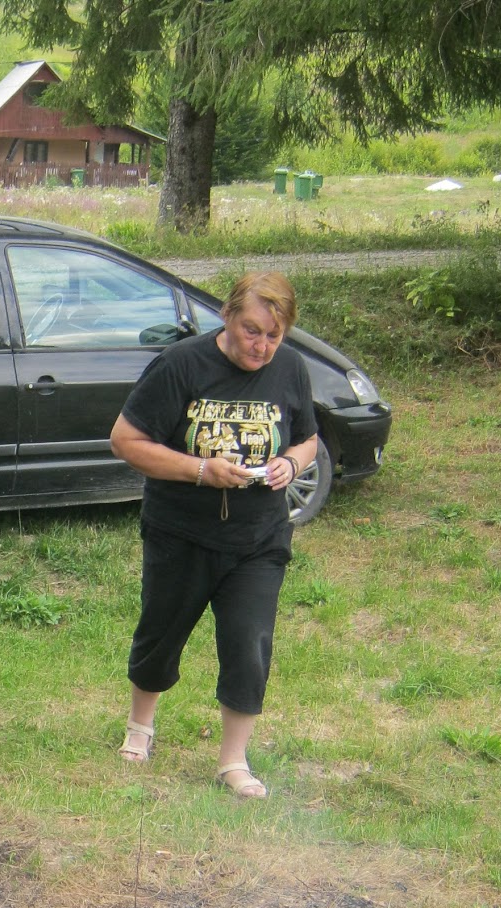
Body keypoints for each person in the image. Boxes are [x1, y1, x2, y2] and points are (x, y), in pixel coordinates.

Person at [109, 271, 318, 799]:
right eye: (252, 331)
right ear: (226, 315)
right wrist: (200, 470)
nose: (262, 346)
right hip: (181, 531)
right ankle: (140, 728)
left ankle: (233, 761)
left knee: (249, 645)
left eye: (274, 335)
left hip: (258, 539)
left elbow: (309, 438)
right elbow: (126, 440)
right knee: (162, 631)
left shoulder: (290, 369)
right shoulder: (181, 365)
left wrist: (291, 465)